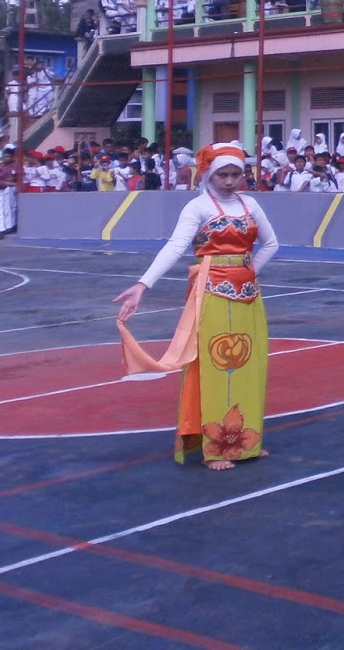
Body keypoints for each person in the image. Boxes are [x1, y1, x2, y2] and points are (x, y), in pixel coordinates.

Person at [114, 143, 280, 469]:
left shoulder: (251, 204)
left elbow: (271, 243)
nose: (230, 181)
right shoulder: (198, 207)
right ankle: (215, 449)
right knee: (218, 366)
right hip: (212, 295)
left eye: (236, 174)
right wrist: (142, 285)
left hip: (248, 296)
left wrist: (248, 271)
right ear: (208, 174)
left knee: (250, 365)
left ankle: (246, 444)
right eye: (223, 174)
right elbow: (176, 246)